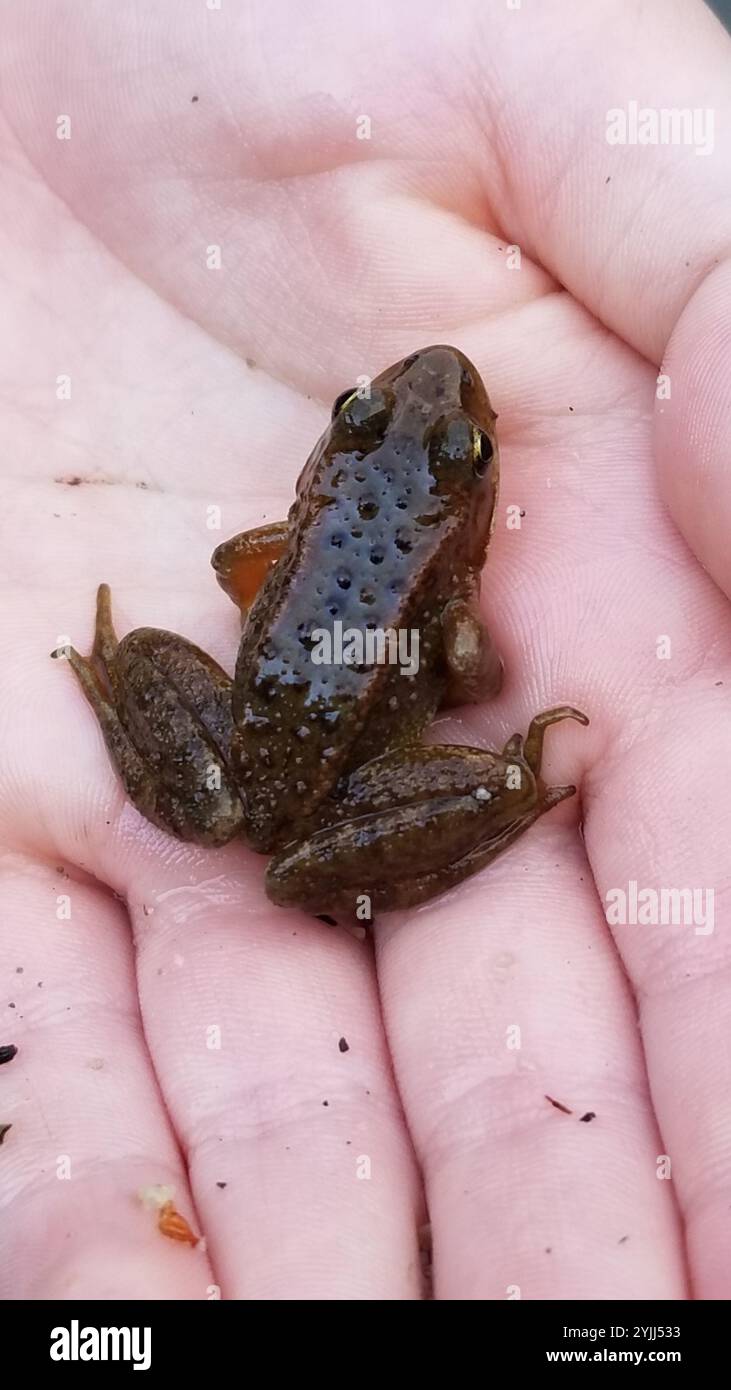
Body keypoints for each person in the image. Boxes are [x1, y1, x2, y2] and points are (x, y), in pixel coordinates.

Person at [0, 0, 729, 1300]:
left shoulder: (295, 530)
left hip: (247, 747)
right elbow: (469, 675)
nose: (430, 396)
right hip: (330, 789)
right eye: (371, 416)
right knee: (483, 769)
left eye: (455, 449)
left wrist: (296, 581)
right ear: (348, 450)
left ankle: (115, 671)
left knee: (238, 797)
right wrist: (482, 691)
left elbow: (243, 574)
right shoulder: (440, 595)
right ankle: (504, 795)